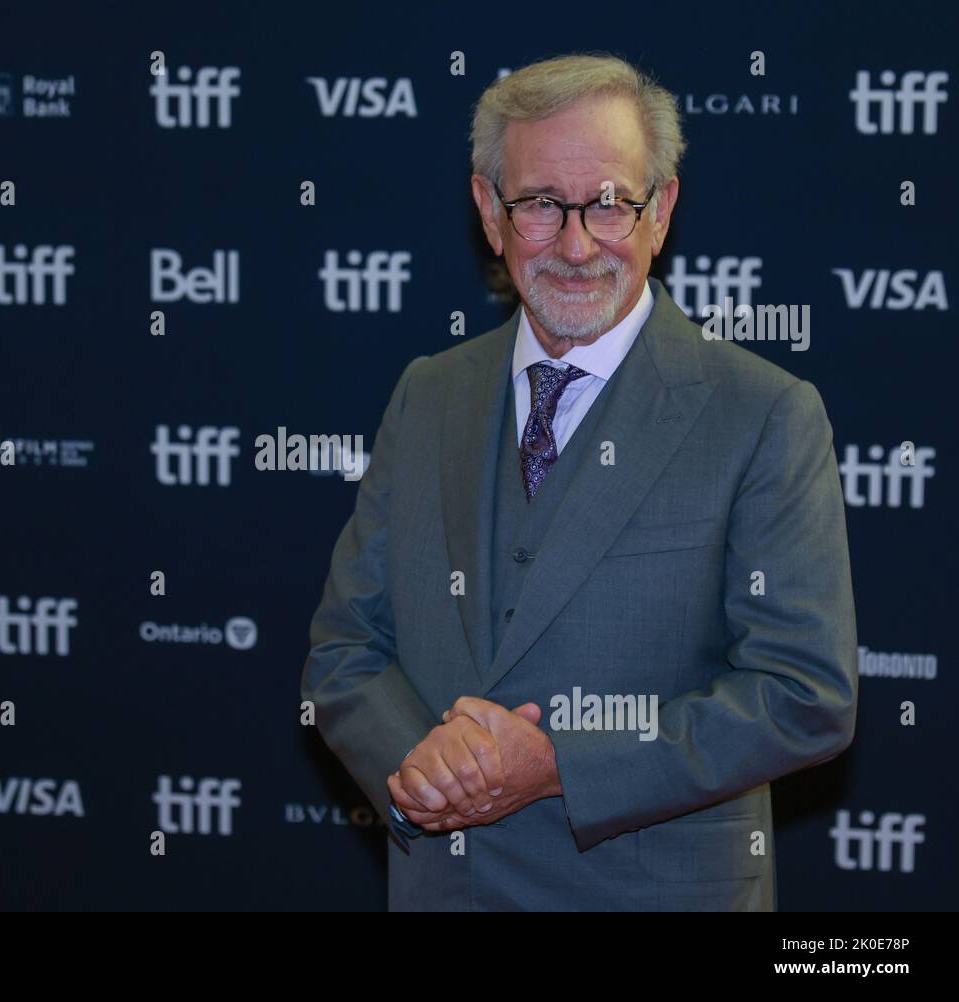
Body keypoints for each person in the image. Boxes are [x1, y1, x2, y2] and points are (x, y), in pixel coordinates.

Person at [300, 53, 856, 911]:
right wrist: (425, 772)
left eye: (607, 203)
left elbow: (804, 694)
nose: (574, 243)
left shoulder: (764, 414)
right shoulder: (427, 394)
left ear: (660, 210)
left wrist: (560, 766)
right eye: (539, 206)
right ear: (490, 213)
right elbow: (345, 651)